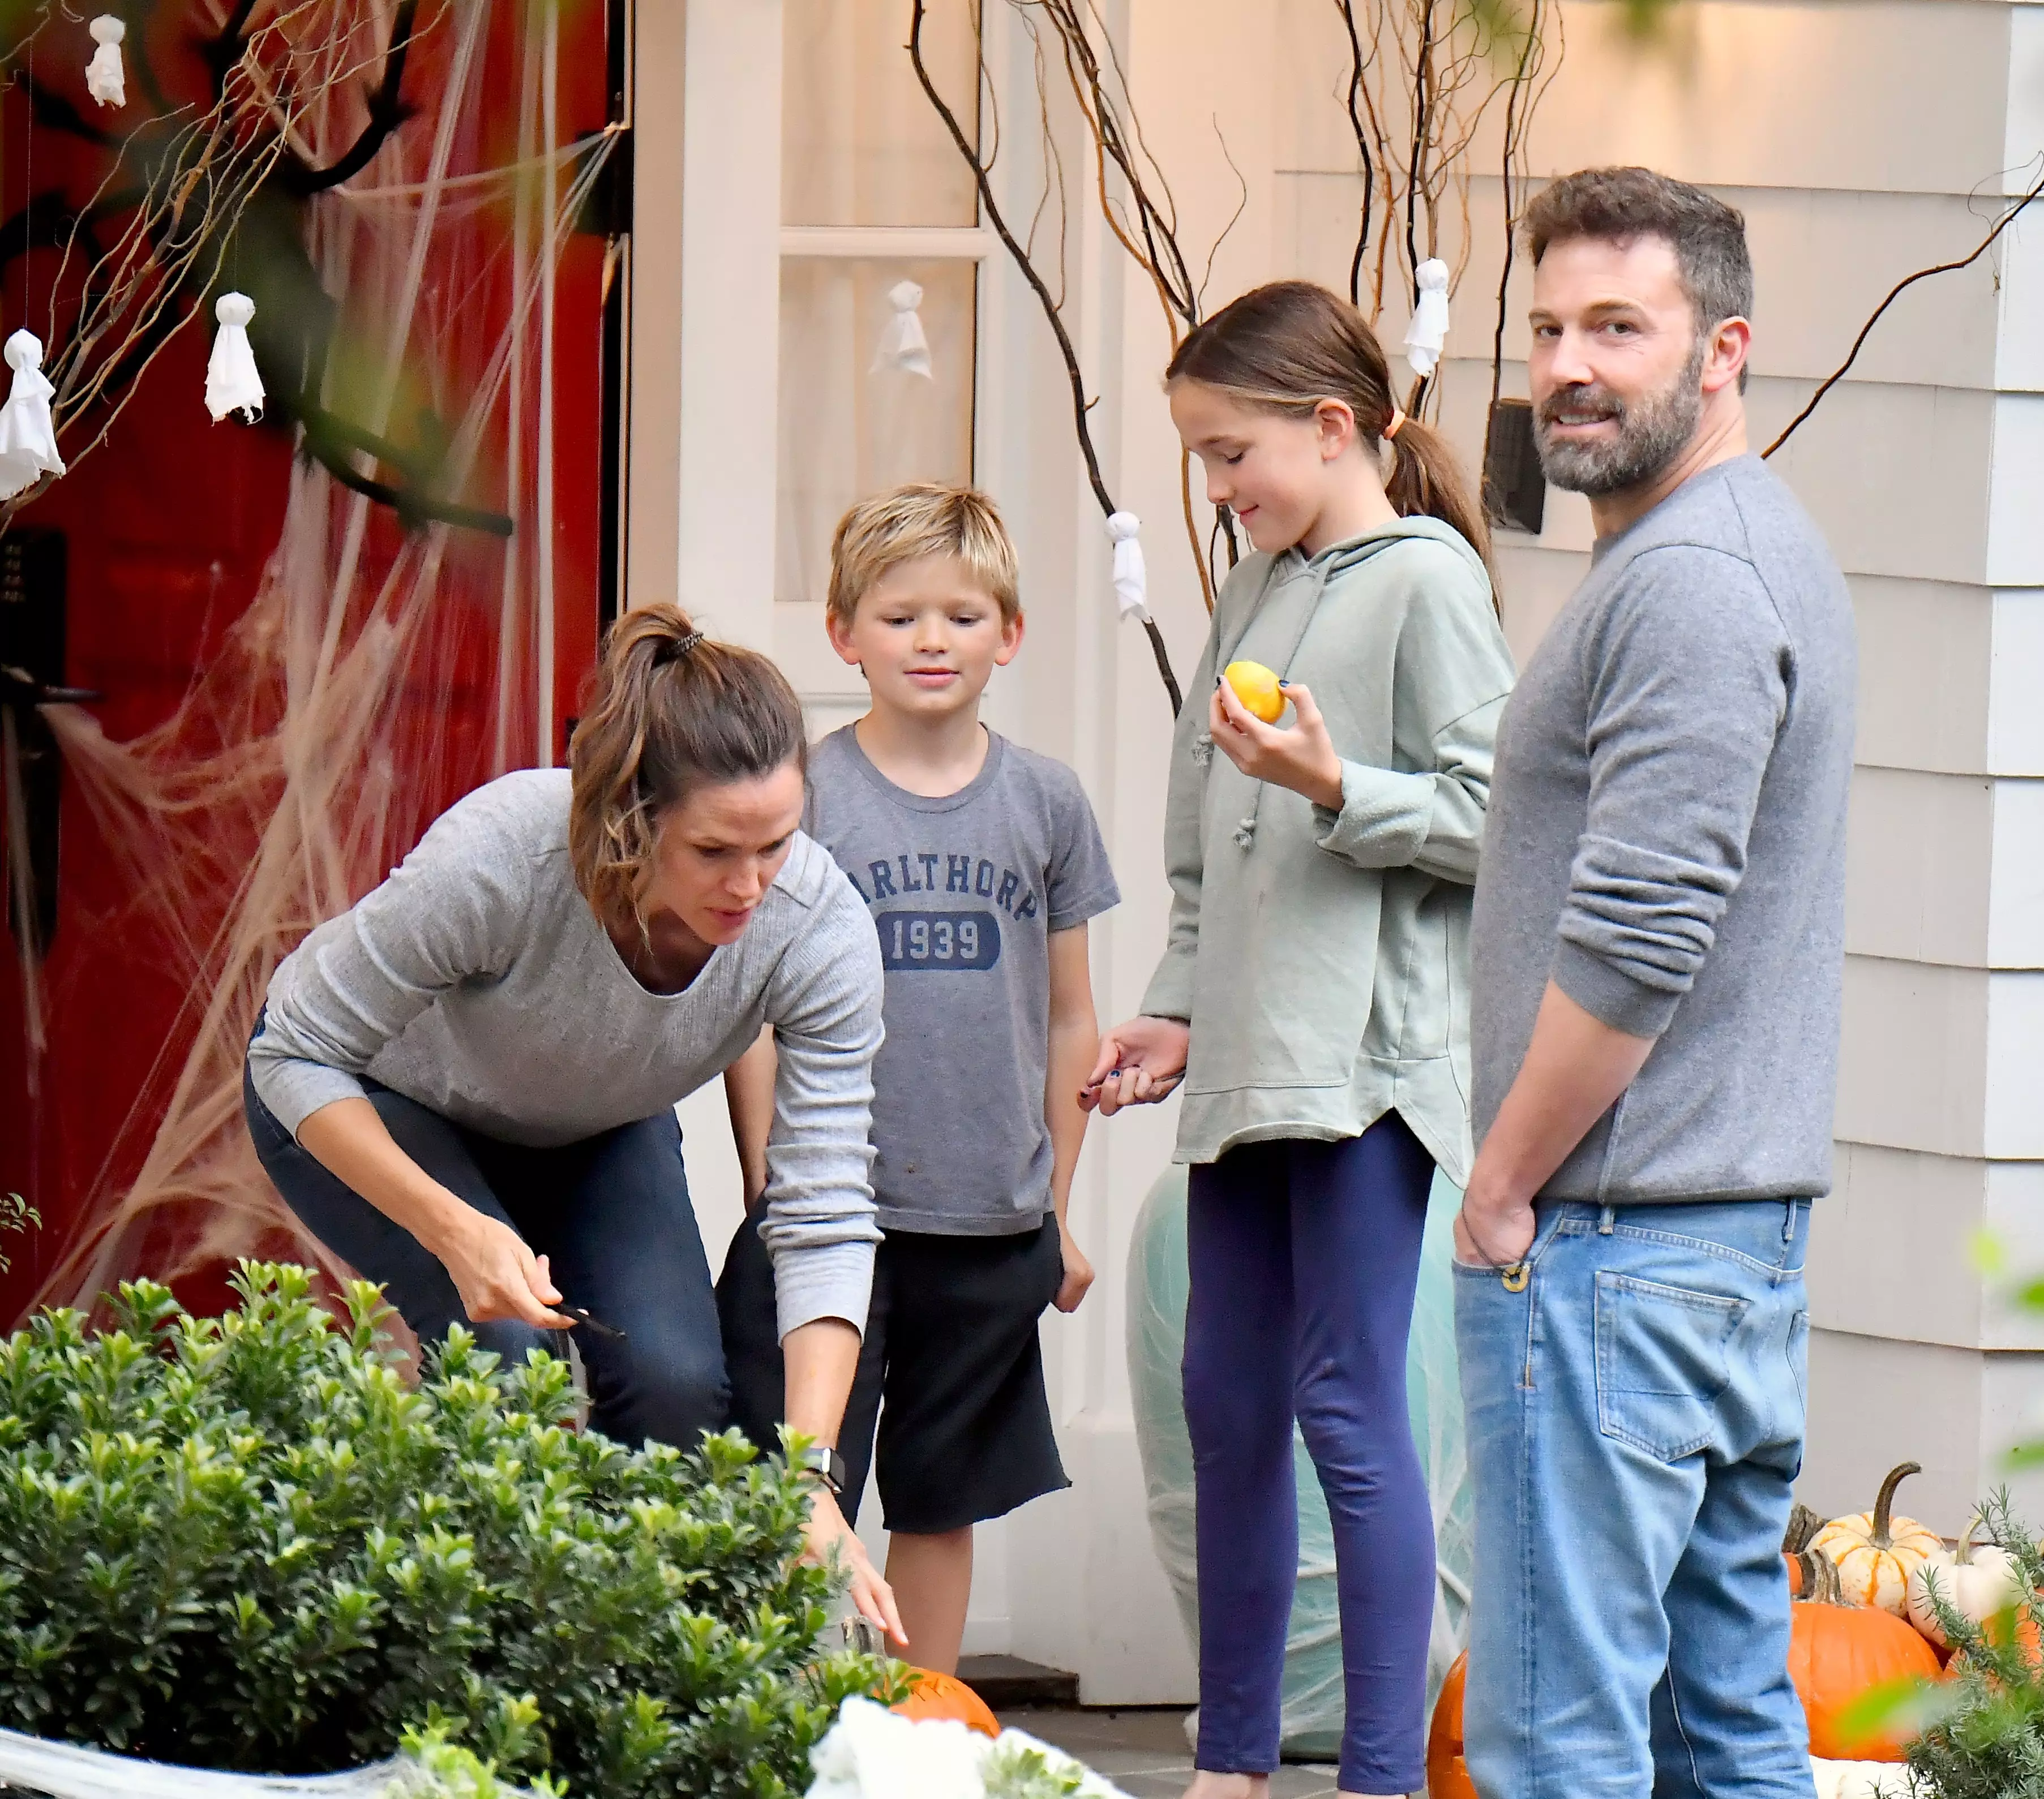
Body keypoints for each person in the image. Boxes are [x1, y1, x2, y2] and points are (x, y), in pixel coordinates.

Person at [243, 602, 901, 1640]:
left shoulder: (816, 928)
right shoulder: (506, 855)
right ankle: (470, 1675)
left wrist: (809, 1476)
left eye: (775, 842)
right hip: (368, 1102)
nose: (751, 884)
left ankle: (635, 1681)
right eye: (715, 849)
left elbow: (821, 1214)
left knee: (681, 1390)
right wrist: (457, 1229)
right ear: (630, 824)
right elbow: (293, 1044)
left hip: (595, 1123)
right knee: (501, 1358)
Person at [1086, 280, 1516, 1799]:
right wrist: (1174, 1006)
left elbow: (1499, 821)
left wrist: (1347, 789)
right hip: (1247, 1073)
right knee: (1225, 1401)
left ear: (1333, 428)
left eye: (1229, 453)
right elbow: (1206, 849)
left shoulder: (1428, 586)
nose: (1216, 489)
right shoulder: (1254, 591)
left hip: (1361, 1078)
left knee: (1346, 1403)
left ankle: (1383, 1773)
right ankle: (1231, 1763)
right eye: (1202, 459)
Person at [1456, 168, 1856, 1798]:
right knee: (1721, 1729)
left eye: (1619, 325)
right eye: (1549, 325)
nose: (1570, 364)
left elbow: (1639, 933)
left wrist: (1498, 1185)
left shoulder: (1692, 582)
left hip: (1619, 1243)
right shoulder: (1738, 550)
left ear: (1722, 348)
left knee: (1559, 1741)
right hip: (1718, 1244)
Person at [718, 483, 1119, 1669]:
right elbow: (755, 1018)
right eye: (898, 618)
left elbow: (1068, 1017)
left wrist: (1054, 1212)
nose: (931, 640)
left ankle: (920, 1727)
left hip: (987, 1218)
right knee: (800, 1480)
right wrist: (766, 1184)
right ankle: (793, 1721)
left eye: (960, 615)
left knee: (939, 1500)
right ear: (843, 633)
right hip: (834, 1211)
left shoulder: (1043, 800)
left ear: (1011, 632)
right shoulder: (808, 799)